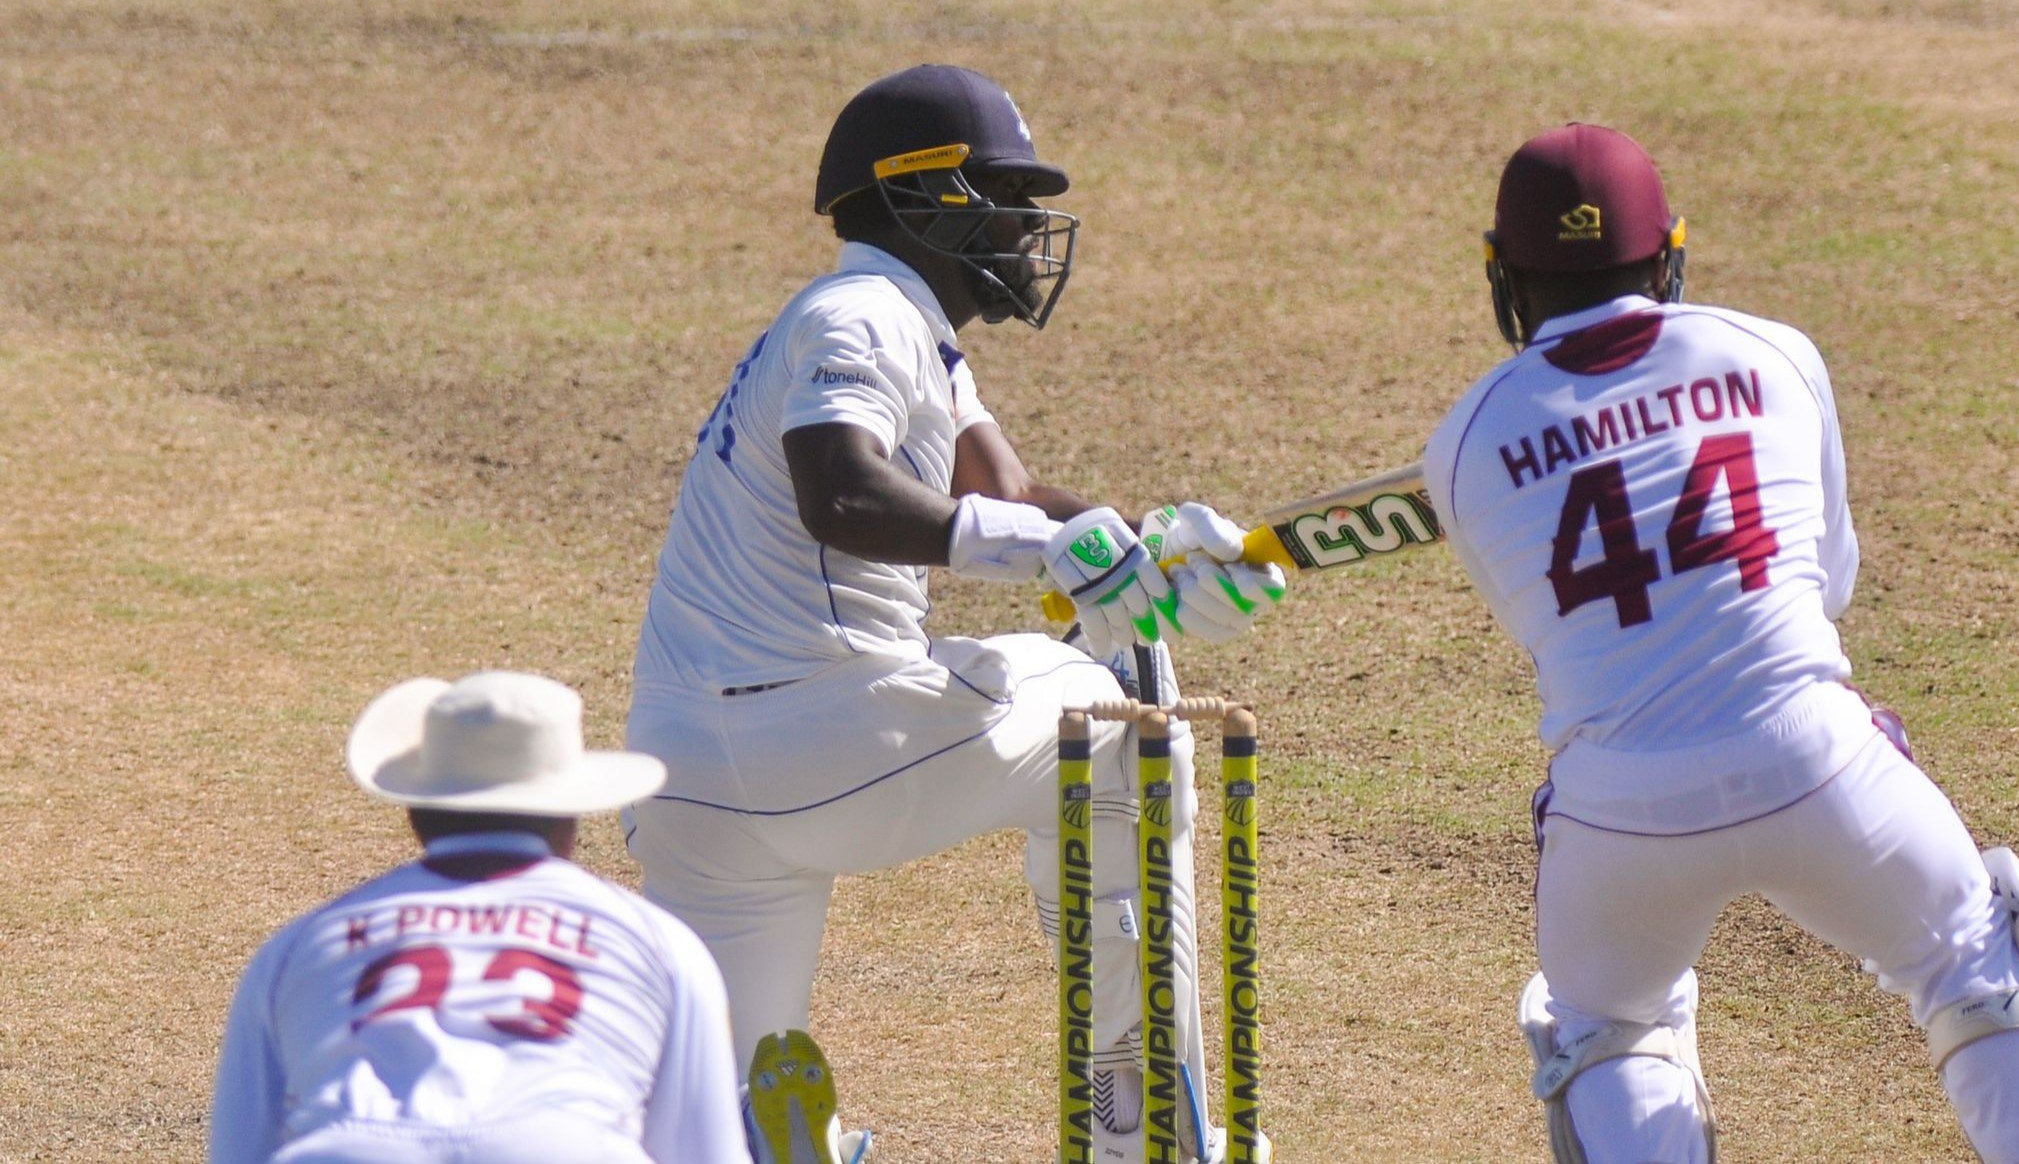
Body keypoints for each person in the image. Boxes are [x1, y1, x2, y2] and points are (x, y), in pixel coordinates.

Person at [621, 63, 1283, 1163]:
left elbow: (1012, 496)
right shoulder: (861, 315)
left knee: (730, 1113)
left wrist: (1152, 542)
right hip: (815, 738)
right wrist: (1058, 556)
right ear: (922, 196)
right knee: (1115, 714)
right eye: (1007, 193)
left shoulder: (899, 325)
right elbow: (841, 493)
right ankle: (1140, 1126)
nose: (1028, 225)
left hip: (687, 779)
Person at [1422, 122, 2019, 1162]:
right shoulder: (1774, 352)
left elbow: (1553, 636)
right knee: (1974, 961)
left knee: (1607, 1025)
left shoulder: (1463, 440)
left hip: (1620, 807)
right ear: (1669, 254)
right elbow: (1830, 583)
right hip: (1818, 763)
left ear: (1501, 274)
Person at [208, 671, 747, 1164]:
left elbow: (239, 1149)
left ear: (415, 811)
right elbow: (703, 1152)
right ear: (569, 815)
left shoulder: (300, 946)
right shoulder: (658, 941)